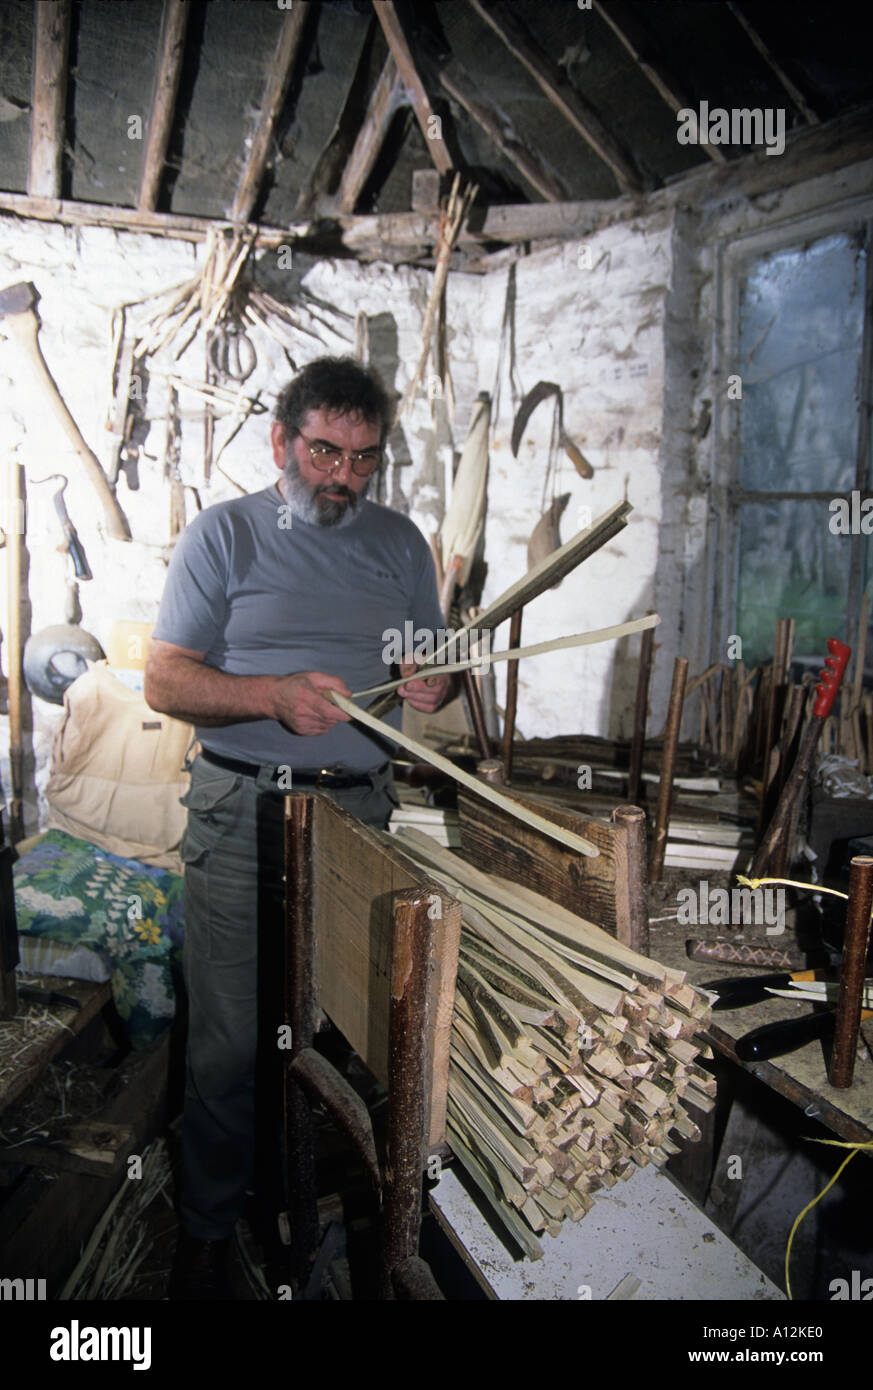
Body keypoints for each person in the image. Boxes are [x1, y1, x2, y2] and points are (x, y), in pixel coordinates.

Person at [144, 356, 452, 1298]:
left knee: (345, 1035)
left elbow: (421, 662)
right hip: (243, 808)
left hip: (356, 813)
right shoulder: (224, 535)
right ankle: (205, 1227)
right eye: (324, 451)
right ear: (282, 442)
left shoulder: (402, 544)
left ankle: (318, 1199)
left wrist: (432, 680)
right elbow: (163, 680)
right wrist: (267, 696)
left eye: (363, 459)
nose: (342, 476)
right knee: (233, 1040)